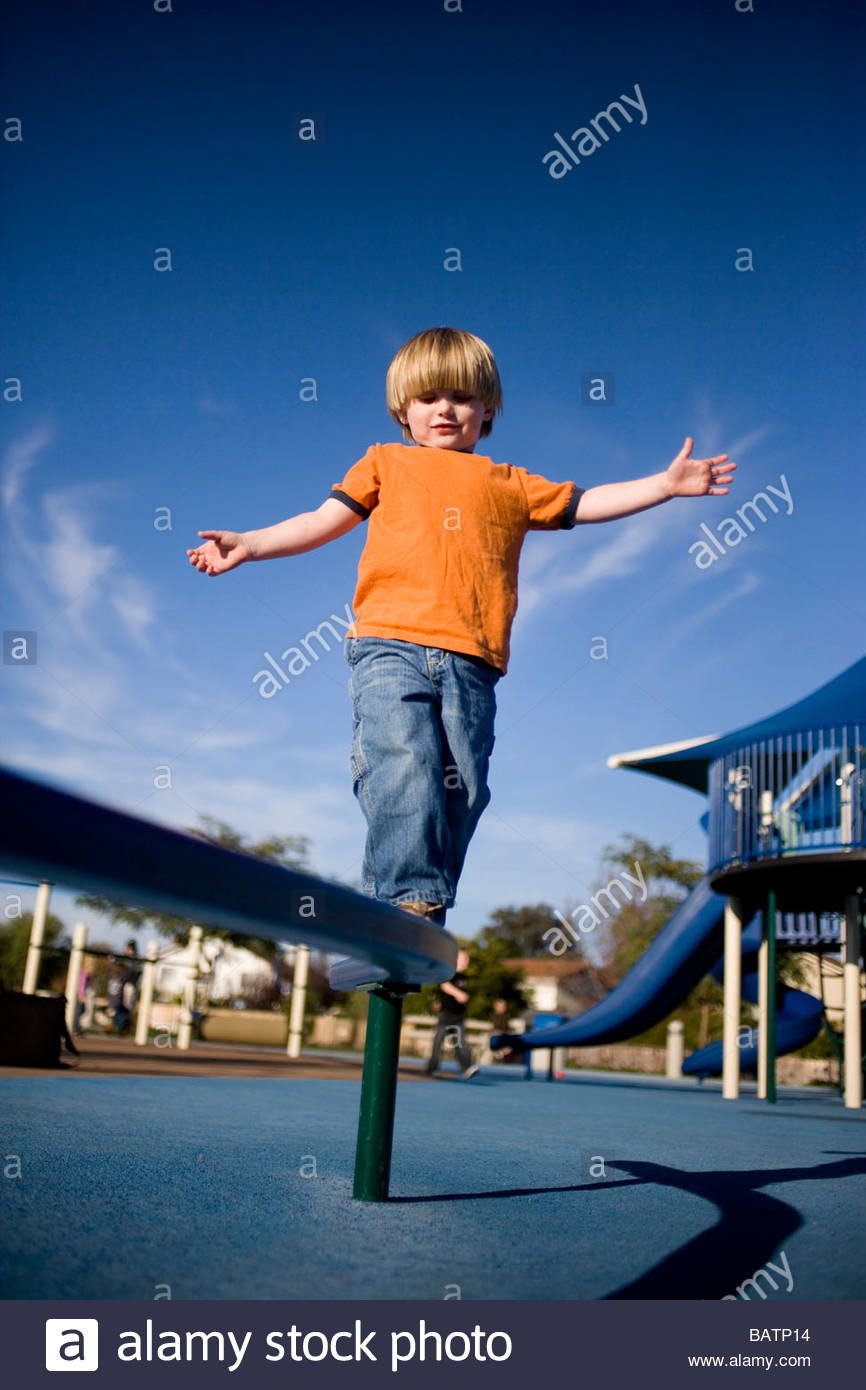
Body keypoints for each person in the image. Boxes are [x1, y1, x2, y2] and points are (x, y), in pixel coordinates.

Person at [187, 326, 735, 932]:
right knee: (403, 759)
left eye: (462, 397)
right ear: (403, 408)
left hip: (473, 660)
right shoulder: (384, 463)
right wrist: (251, 543)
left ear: (488, 407)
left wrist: (664, 485)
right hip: (388, 644)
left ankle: (427, 907)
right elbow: (322, 522)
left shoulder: (511, 483)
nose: (445, 409)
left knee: (463, 789)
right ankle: (398, 899)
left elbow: (586, 503)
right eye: (428, 397)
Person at [426, 947, 477, 1079]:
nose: (467, 962)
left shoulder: (464, 977)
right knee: (438, 1041)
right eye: (465, 959)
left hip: (458, 1016)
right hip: (446, 1015)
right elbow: (444, 986)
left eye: (468, 959)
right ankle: (432, 1068)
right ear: (456, 959)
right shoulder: (449, 973)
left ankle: (466, 1068)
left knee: (460, 1043)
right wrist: (458, 994)